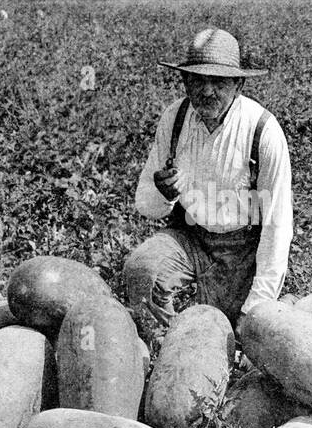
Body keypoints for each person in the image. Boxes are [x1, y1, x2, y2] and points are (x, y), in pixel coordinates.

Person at [124, 27, 293, 338]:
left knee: (236, 335)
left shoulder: (263, 131)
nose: (207, 91)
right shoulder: (174, 118)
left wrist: (256, 304)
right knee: (143, 271)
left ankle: (275, 308)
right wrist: (164, 194)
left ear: (239, 84)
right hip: (190, 236)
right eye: (197, 80)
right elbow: (145, 204)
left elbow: (277, 226)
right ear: (184, 80)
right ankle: (165, 346)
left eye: (219, 82)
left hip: (242, 251)